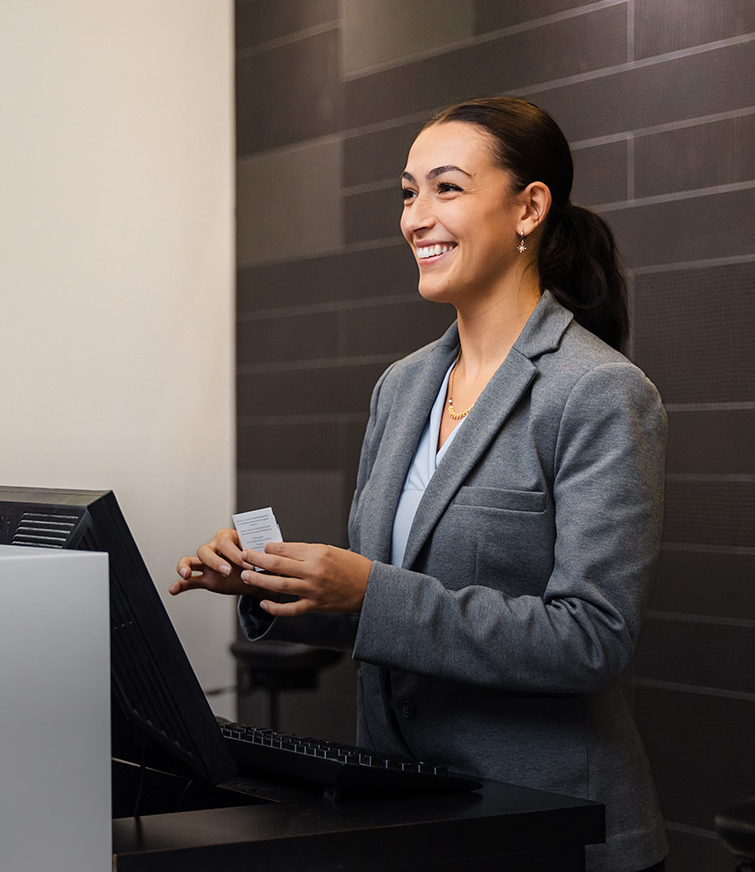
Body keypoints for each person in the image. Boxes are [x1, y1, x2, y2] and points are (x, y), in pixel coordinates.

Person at [171, 97, 667, 872]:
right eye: (408, 193)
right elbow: (385, 613)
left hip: (545, 827)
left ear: (530, 207)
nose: (416, 218)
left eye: (447, 188)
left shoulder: (597, 391)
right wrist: (274, 584)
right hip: (408, 820)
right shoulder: (402, 389)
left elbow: (591, 640)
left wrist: (370, 592)